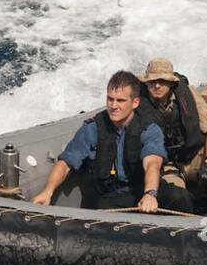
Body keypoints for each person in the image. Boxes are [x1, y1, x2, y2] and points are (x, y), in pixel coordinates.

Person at [32, 70, 190, 213]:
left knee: (180, 197)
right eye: (110, 99)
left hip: (142, 187)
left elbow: (152, 164)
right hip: (111, 195)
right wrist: (48, 191)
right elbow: (66, 163)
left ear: (135, 103)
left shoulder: (148, 128)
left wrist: (150, 194)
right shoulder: (92, 127)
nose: (114, 106)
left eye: (120, 100)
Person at [136, 58, 207, 207]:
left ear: (172, 82)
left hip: (193, 155)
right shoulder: (137, 101)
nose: (157, 85)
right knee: (178, 198)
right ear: (146, 82)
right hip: (164, 165)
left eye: (162, 81)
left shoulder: (186, 94)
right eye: (152, 81)